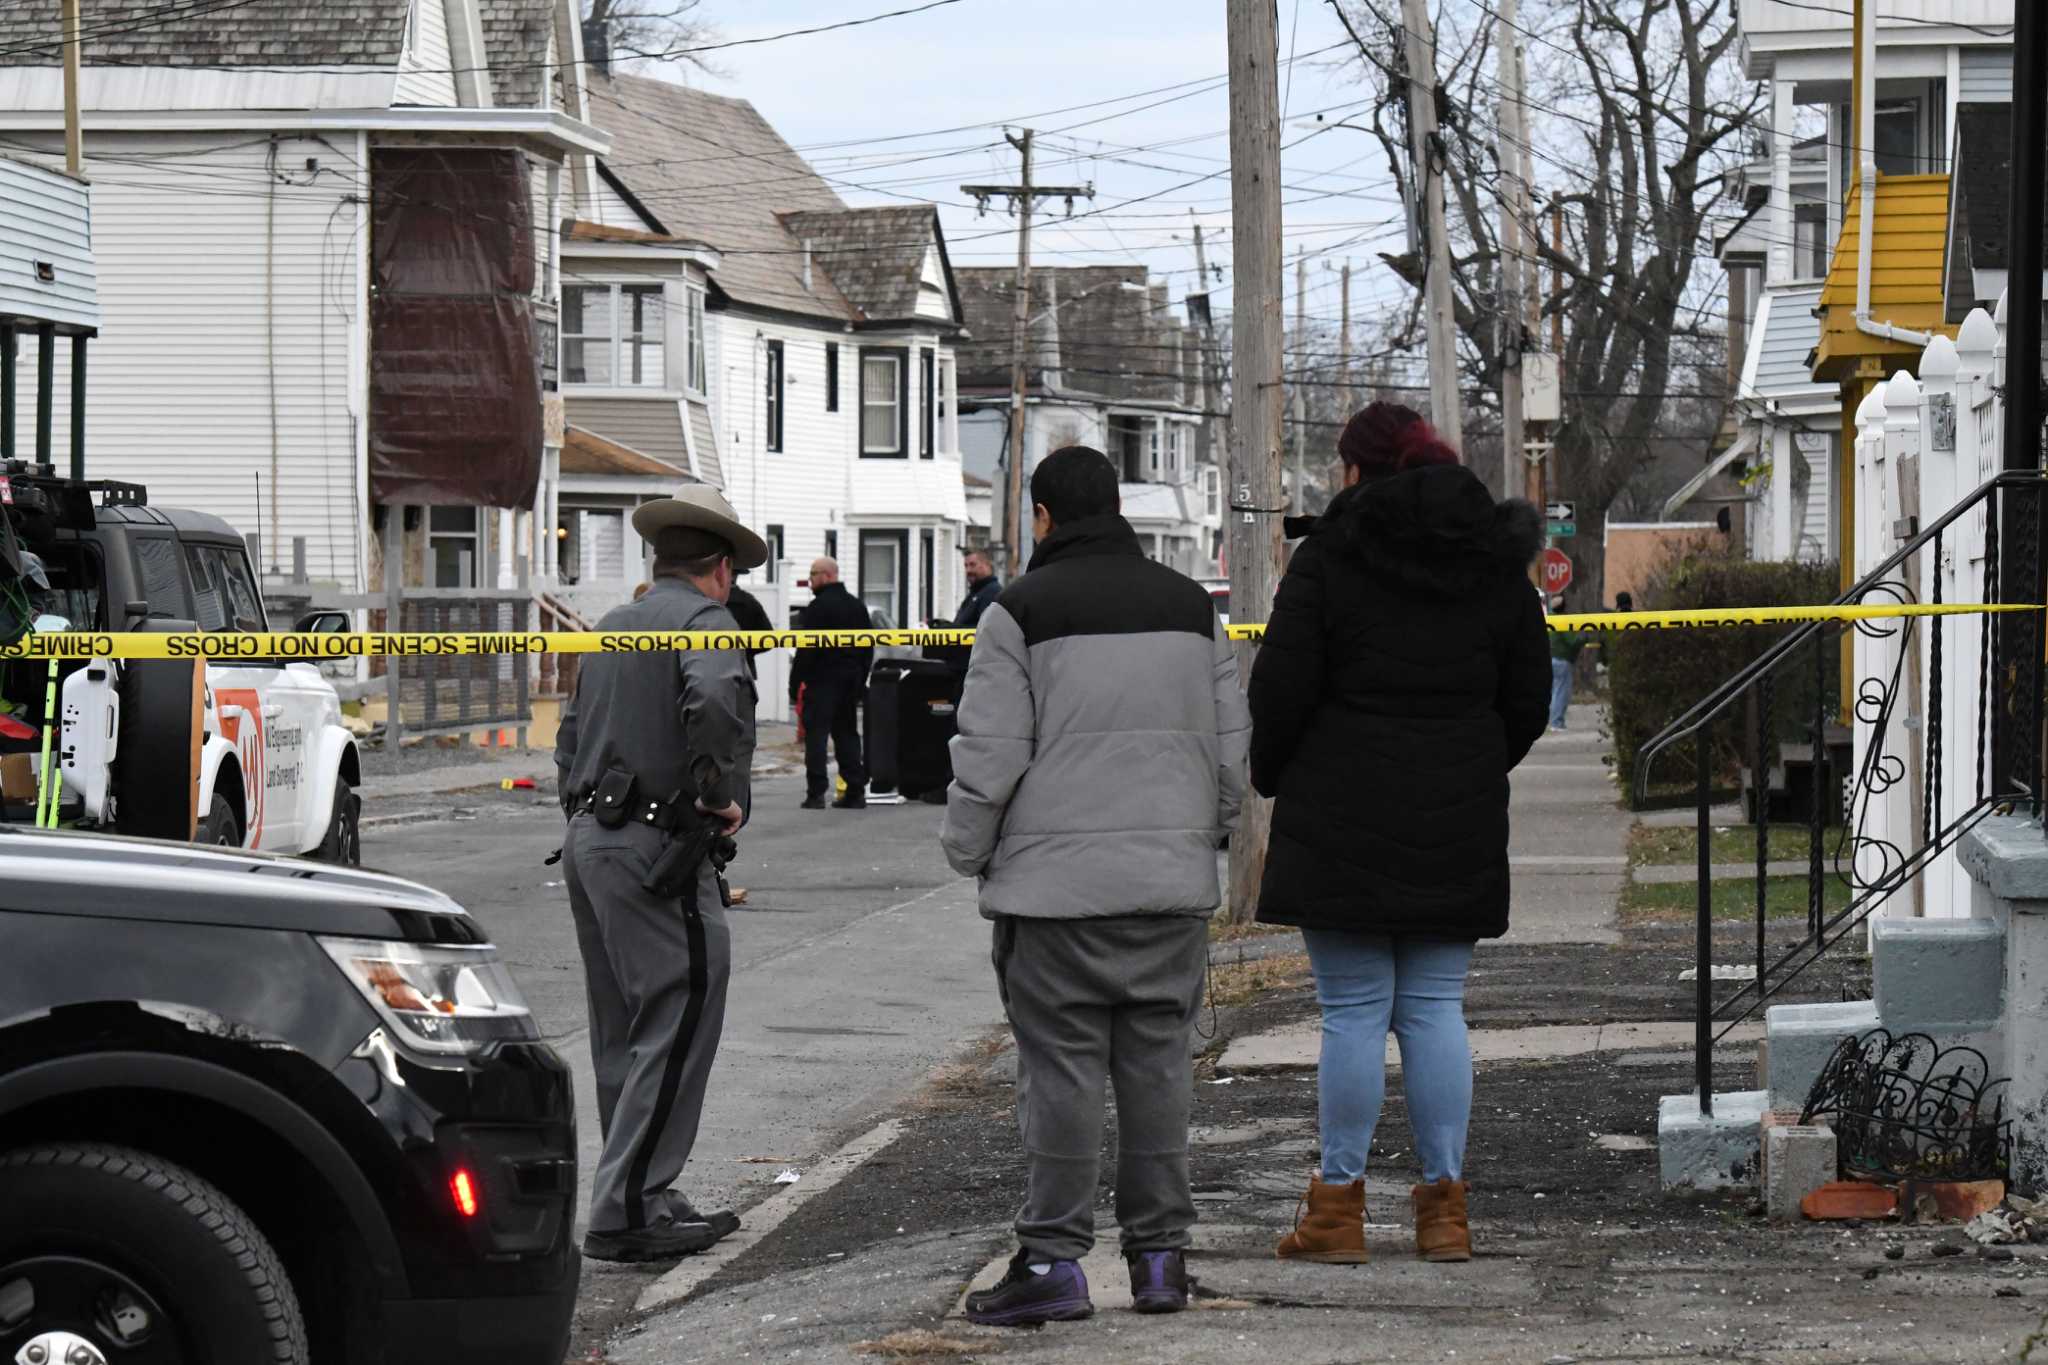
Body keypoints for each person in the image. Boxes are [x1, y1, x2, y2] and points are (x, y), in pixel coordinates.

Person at [943, 446, 1251, 1326]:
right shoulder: (1194, 609)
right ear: (1115, 507)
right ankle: (1160, 1259)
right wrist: (1202, 831)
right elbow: (1231, 751)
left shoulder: (1017, 613)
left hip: (1053, 902)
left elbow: (990, 756)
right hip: (1168, 889)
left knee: (1062, 1074)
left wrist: (968, 850)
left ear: (1041, 517)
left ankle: (1052, 1260)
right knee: (1160, 1069)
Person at [1248, 400, 1548, 1268]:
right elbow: (1527, 694)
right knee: (1432, 1009)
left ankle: (1337, 1210)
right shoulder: (1494, 562)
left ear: (1356, 471)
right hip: (1452, 813)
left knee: (1349, 1012)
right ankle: (1444, 1211)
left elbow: (1279, 688)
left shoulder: (1330, 559)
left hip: (1337, 814)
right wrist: (1474, 759)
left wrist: (1277, 776)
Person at [554, 485, 767, 1263]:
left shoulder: (614, 625)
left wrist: (581, 818)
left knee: (625, 1029)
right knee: (681, 1006)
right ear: (719, 569)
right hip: (656, 844)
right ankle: (628, 1208)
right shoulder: (707, 623)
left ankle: (639, 1185)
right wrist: (718, 793)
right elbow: (713, 696)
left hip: (591, 834)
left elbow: (570, 734)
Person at [788, 558, 873, 810]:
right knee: (847, 735)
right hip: (849, 681)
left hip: (822, 681)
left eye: (813, 574)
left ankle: (816, 794)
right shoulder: (857, 606)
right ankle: (855, 791)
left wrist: (795, 683)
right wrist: (860, 678)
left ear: (826, 575)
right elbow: (868, 647)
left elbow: (807, 650)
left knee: (817, 737)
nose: (810, 580)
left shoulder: (817, 608)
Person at [1548, 595, 1588, 730]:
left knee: (1554, 692)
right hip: (1562, 661)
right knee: (1561, 693)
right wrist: (1583, 636)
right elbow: (1572, 642)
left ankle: (1554, 721)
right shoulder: (1562, 622)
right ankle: (1556, 722)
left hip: (1551, 660)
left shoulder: (1549, 619)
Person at [954, 548, 1003, 628]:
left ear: (987, 565)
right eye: (966, 566)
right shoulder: (976, 593)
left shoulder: (992, 593)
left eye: (973, 565)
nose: (968, 570)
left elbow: (986, 629)